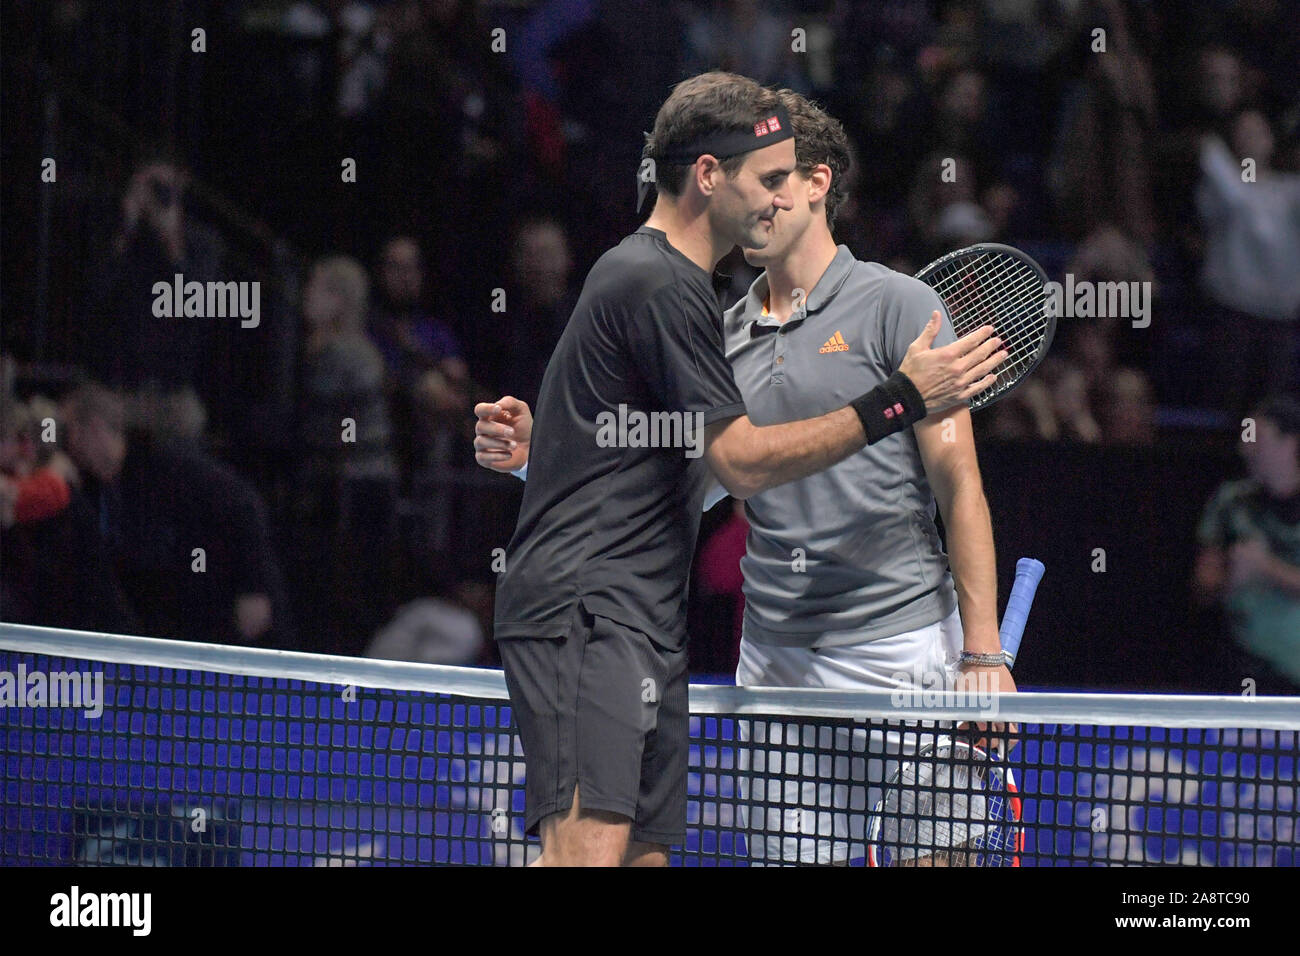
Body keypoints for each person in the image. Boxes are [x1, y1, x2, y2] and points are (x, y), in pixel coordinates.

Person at [475, 73, 1007, 867]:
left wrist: (983, 651)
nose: (761, 204)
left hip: (905, 651)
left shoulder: (900, 304)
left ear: (815, 182)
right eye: (756, 180)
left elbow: (959, 486)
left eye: (776, 181)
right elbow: (707, 476)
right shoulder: (713, 325)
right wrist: (543, 462)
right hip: (777, 663)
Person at [1194, 395, 1300, 693]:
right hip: (1247, 672)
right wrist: (1231, 579)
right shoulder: (1231, 502)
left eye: (1257, 437)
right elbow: (1203, 586)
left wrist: (1264, 567)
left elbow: (1261, 568)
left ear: (1290, 442)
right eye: (1244, 436)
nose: (1245, 447)